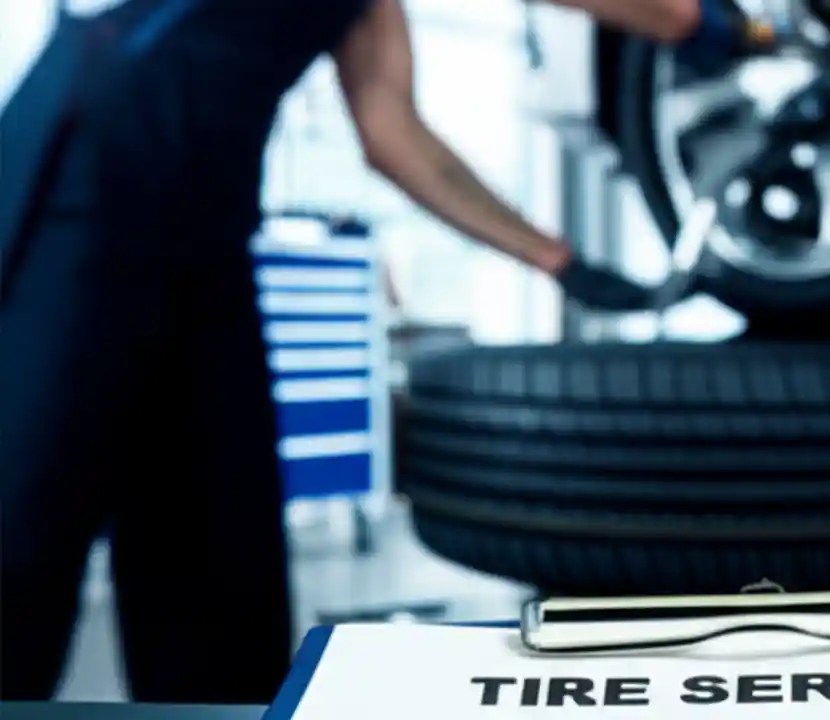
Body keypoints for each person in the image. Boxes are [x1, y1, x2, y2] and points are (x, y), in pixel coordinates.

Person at [0, 0, 773, 705]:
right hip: (70, 199)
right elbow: (667, 16)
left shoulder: (365, 10)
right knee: (20, 538)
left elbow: (393, 132)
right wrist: (720, 24)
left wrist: (559, 261)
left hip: (209, 248)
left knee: (221, 577)